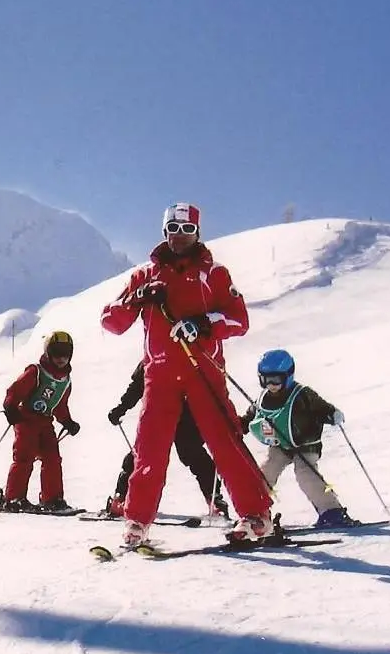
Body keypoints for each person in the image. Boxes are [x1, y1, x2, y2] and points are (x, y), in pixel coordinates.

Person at [101, 202, 273, 547]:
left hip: (202, 370)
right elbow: (111, 321)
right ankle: (137, 520)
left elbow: (240, 319)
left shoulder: (215, 274)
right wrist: (137, 297)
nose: (180, 237)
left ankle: (256, 515)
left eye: (187, 230)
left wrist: (203, 324)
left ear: (197, 233)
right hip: (160, 374)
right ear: (164, 232)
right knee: (149, 447)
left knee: (224, 440)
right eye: (174, 230)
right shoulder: (145, 275)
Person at [245, 349, 359, 528]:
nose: (271, 385)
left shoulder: (302, 394)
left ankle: (332, 511)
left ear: (288, 375)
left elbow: (322, 408)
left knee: (305, 475)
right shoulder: (262, 398)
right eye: (265, 380)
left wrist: (332, 414)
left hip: (305, 444)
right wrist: (240, 425)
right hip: (280, 446)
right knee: (264, 474)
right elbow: (251, 415)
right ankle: (256, 513)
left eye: (275, 379)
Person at [103, 361, 229, 519]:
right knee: (143, 457)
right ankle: (121, 497)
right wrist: (121, 408)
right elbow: (137, 386)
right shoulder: (153, 357)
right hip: (159, 415)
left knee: (192, 454)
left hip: (186, 417)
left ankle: (214, 499)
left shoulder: (190, 357)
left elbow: (207, 387)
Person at [0, 331, 80, 513]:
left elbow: (60, 405)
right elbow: (15, 390)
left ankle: (52, 498)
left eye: (65, 353)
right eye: (57, 352)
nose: (61, 358)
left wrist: (67, 422)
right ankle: (14, 498)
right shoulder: (36, 371)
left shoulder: (65, 381)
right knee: (24, 458)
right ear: (48, 352)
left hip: (45, 423)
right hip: (25, 419)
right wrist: (10, 407)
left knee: (52, 459)